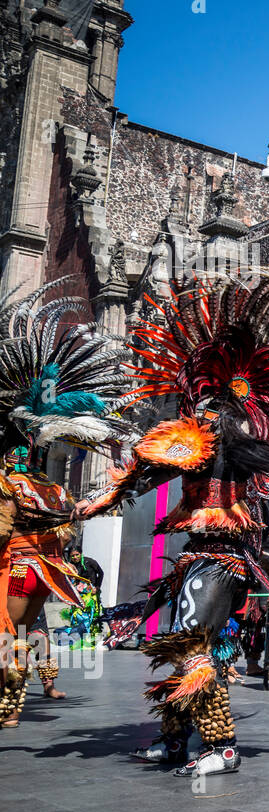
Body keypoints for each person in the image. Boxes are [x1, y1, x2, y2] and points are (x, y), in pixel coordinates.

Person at [74, 258, 269, 777]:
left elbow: (152, 468)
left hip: (223, 561)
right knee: (179, 646)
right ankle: (173, 737)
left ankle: (223, 746)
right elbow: (157, 467)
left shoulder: (215, 435)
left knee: (190, 645)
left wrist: (102, 498)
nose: (200, 407)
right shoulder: (220, 437)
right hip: (201, 558)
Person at [0, 288, 134, 729]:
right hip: (46, 571)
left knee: (10, 635)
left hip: (15, 569)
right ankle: (31, 695)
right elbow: (68, 527)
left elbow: (3, 531)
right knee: (32, 632)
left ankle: (11, 707)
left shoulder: (9, 485)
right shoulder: (53, 492)